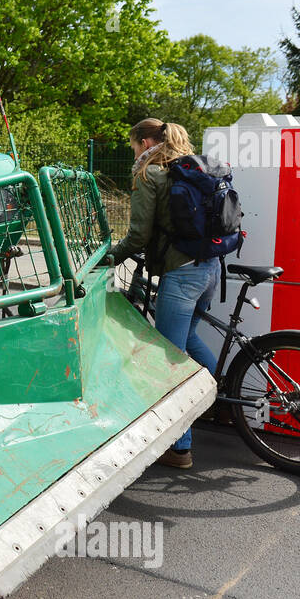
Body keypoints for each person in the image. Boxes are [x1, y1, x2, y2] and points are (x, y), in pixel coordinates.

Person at [106, 118, 218, 469]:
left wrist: (110, 257)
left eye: (133, 145)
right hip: (211, 268)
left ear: (146, 141)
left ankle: (179, 448)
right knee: (191, 339)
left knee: (170, 359)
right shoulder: (188, 166)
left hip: (182, 275)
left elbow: (138, 235)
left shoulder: (149, 173)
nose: (133, 153)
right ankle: (223, 400)